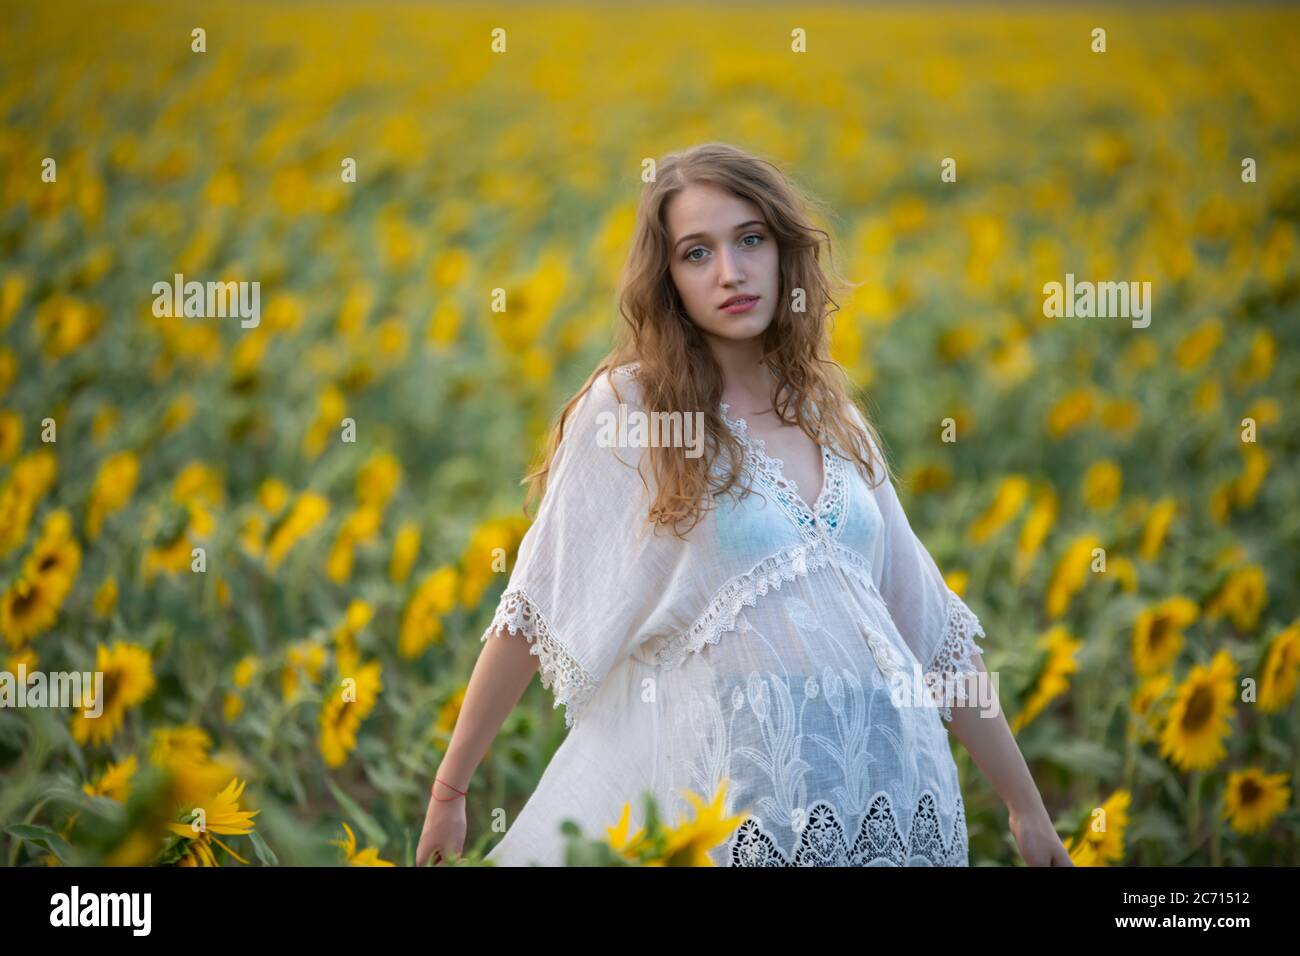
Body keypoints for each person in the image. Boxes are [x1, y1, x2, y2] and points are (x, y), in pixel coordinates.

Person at [417, 142, 1073, 867]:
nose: (730, 272)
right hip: (732, 819)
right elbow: (535, 600)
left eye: (750, 239)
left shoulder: (834, 419)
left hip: (892, 813)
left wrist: (1026, 809)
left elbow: (933, 631)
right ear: (668, 280)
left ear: (785, 254)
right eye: (697, 254)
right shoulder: (633, 413)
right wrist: (451, 790)